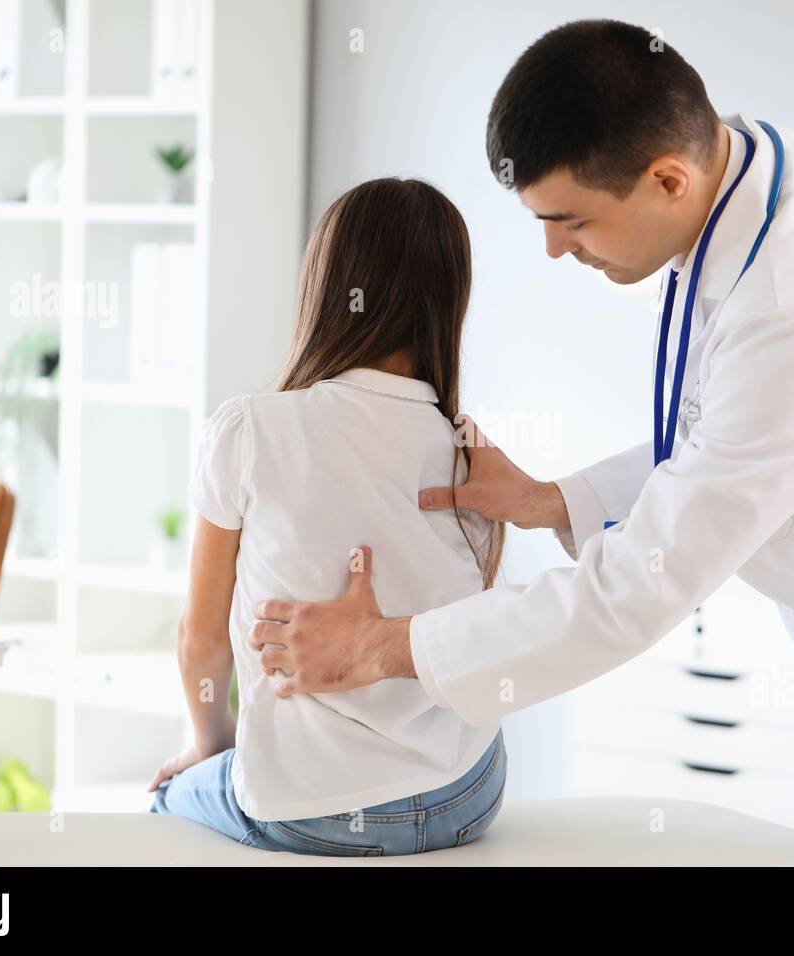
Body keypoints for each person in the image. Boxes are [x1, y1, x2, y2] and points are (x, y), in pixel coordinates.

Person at [249, 20, 794, 866]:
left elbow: (641, 586)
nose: (556, 253)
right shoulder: (740, 181)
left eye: (572, 221)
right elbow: (729, 432)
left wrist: (381, 648)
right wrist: (551, 501)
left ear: (666, 180)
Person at [148, 178, 508, 857]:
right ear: (449, 301)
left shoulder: (249, 430)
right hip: (466, 791)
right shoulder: (473, 456)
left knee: (166, 800)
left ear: (326, 285)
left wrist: (209, 750)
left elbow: (200, 641)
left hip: (309, 807)